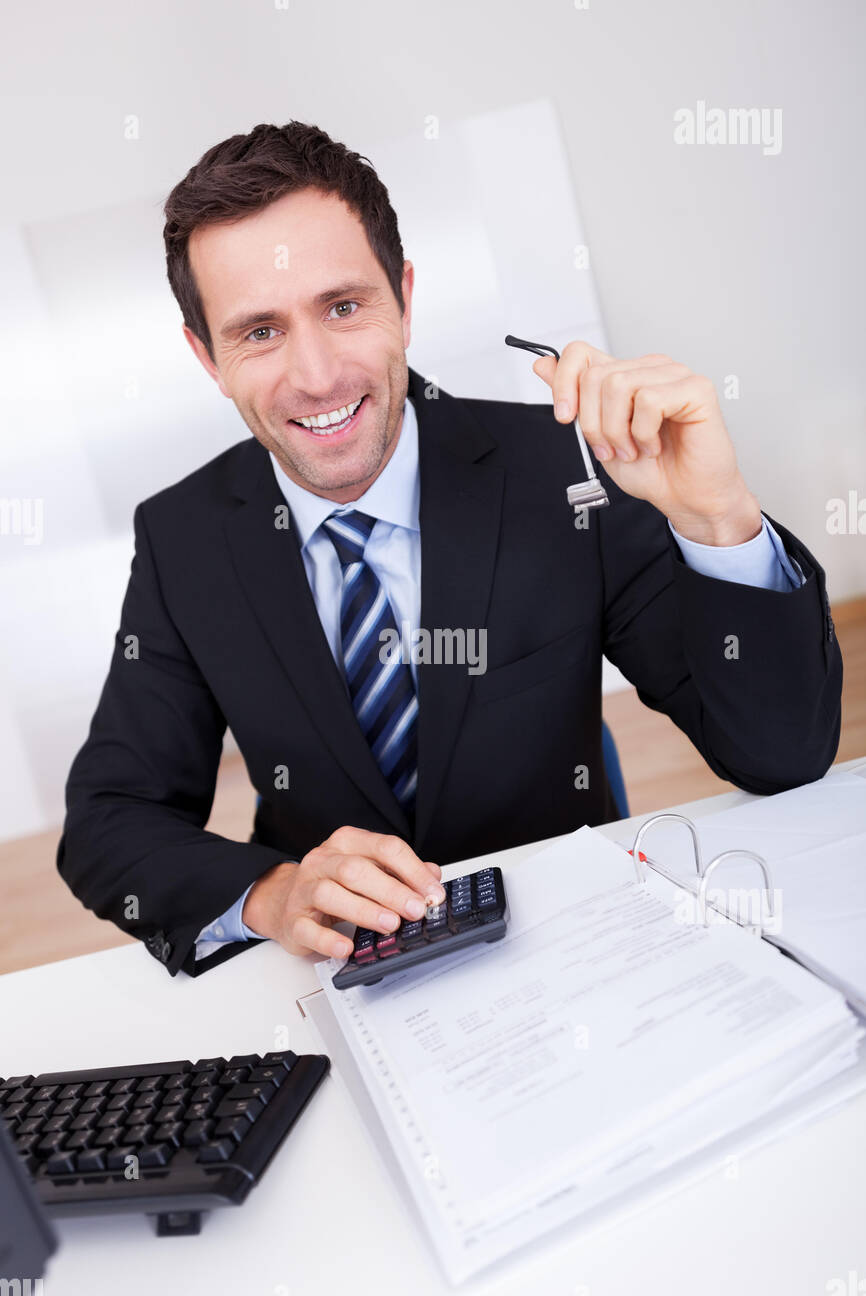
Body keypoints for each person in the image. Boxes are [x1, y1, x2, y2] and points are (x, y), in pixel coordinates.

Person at [56, 121, 841, 978]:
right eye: (260, 332)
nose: (317, 377)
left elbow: (781, 756)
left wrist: (720, 518)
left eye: (344, 306)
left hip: (566, 942)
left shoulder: (566, 471)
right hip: (329, 973)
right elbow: (110, 819)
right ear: (207, 357)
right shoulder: (183, 536)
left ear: (404, 297)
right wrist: (273, 892)